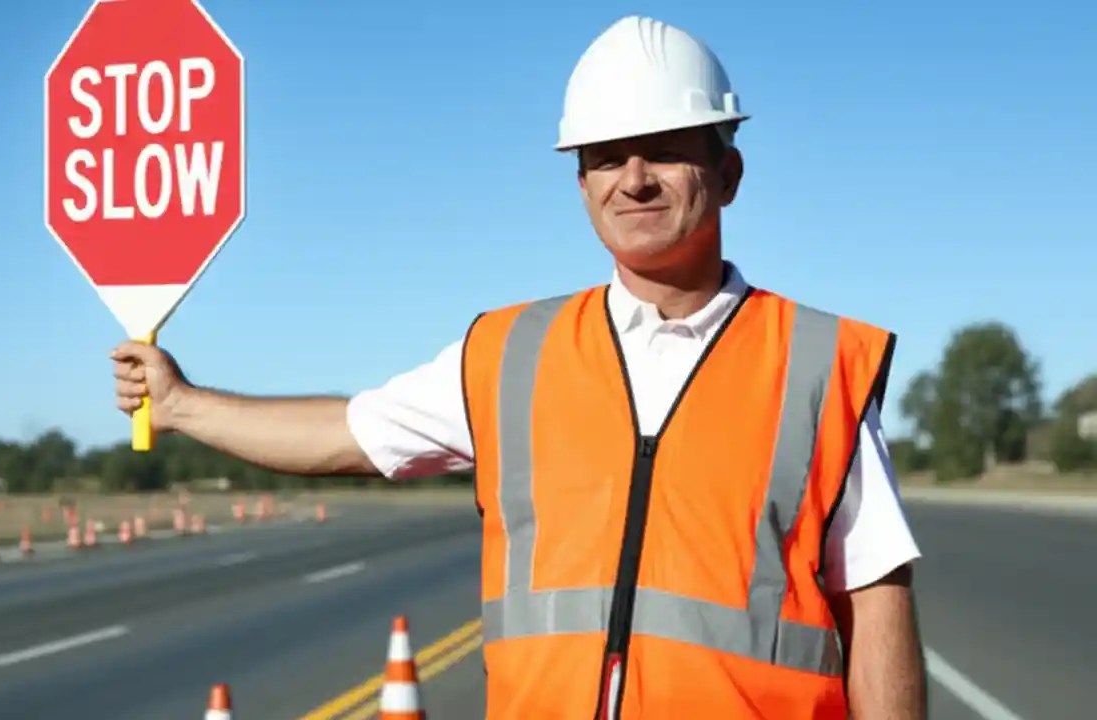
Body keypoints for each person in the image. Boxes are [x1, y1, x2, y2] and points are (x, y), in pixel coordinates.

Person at [111, 15, 926, 719]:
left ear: (728, 173)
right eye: (606, 157)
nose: (633, 179)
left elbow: (877, 601)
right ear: (581, 185)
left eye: (663, 152)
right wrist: (181, 404)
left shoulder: (819, 364)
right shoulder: (509, 355)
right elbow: (346, 433)